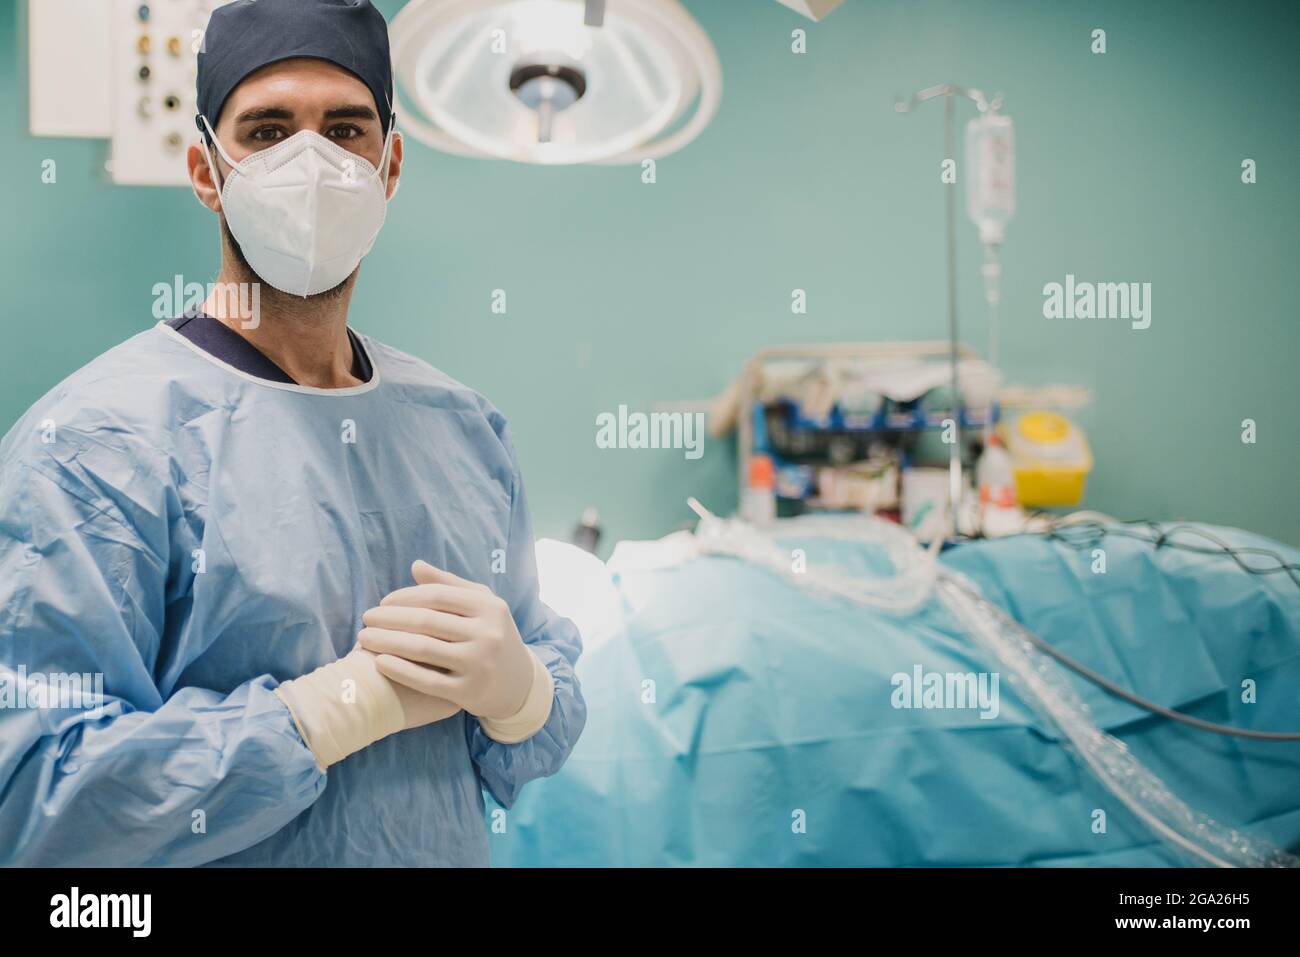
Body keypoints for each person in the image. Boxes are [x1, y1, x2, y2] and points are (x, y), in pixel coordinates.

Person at [0, 0, 585, 866]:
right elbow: (33, 797)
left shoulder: (461, 430)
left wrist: (524, 695)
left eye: (345, 130)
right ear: (206, 169)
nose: (310, 162)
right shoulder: (95, 447)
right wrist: (329, 712)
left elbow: (546, 693)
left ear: (389, 166)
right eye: (268, 130)